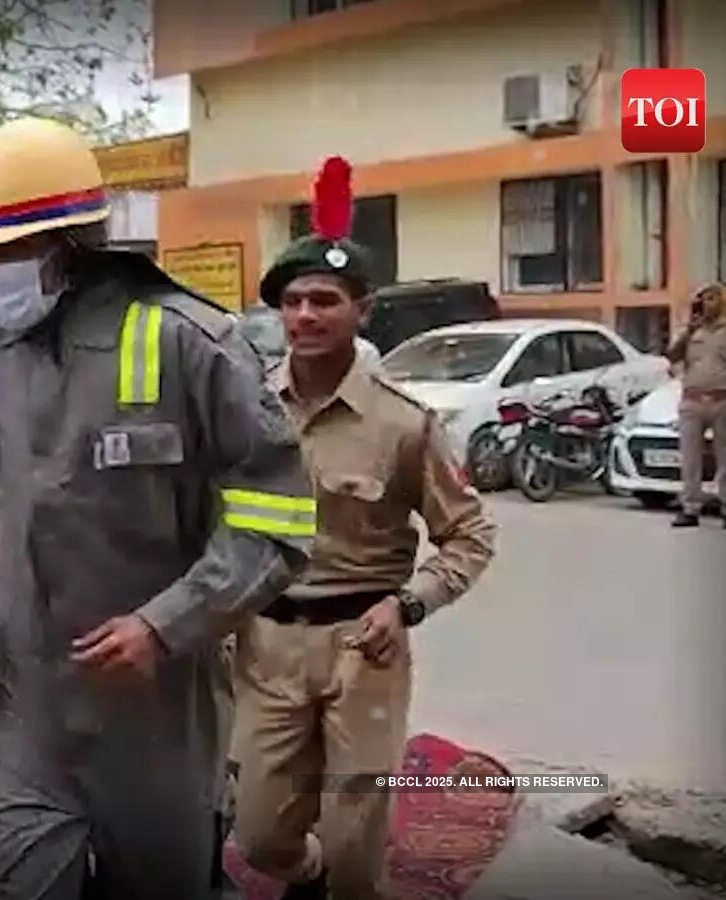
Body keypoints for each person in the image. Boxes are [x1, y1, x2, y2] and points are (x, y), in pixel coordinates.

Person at [0, 117, 316, 900]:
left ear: (71, 245)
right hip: (22, 712)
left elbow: (277, 521)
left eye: (11, 253)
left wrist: (166, 623)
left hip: (157, 716)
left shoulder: (189, 343)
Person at [231, 157, 498, 900]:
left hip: (364, 646)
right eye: (293, 302)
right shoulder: (248, 412)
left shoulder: (403, 423)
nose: (306, 316)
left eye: (325, 300)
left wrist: (407, 604)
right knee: (258, 830)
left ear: (363, 309)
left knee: (356, 831)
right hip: (265, 643)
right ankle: (305, 874)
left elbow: (469, 535)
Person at [666, 283, 726, 529]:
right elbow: (671, 355)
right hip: (692, 400)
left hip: (722, 399)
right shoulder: (689, 330)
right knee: (690, 458)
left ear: (722, 302)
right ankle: (690, 508)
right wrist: (689, 331)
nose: (709, 303)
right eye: (705, 299)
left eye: (714, 298)